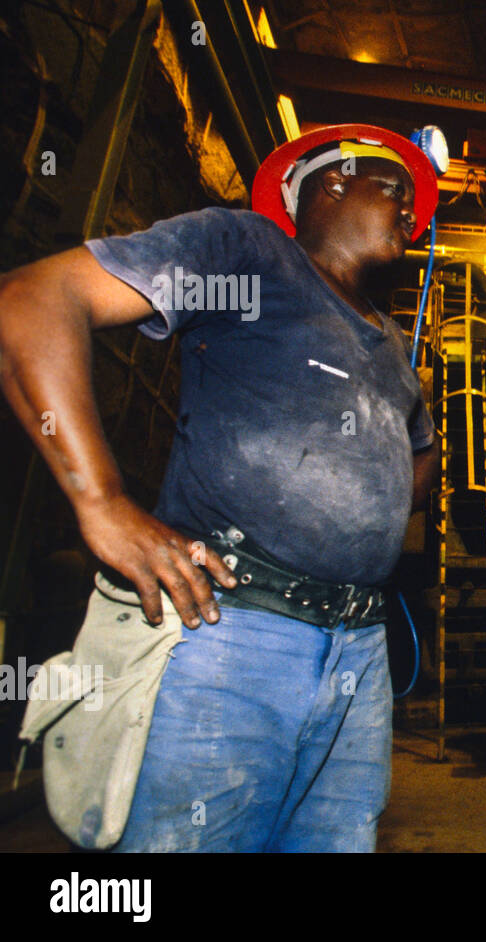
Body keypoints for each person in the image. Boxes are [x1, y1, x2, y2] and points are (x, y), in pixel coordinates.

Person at [0, 124, 440, 851]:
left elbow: (423, 454)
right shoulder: (248, 253)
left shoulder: (392, 343)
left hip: (358, 655)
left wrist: (369, 504)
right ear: (332, 183)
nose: (412, 215)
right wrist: (102, 500)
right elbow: (31, 301)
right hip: (231, 635)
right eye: (398, 190)